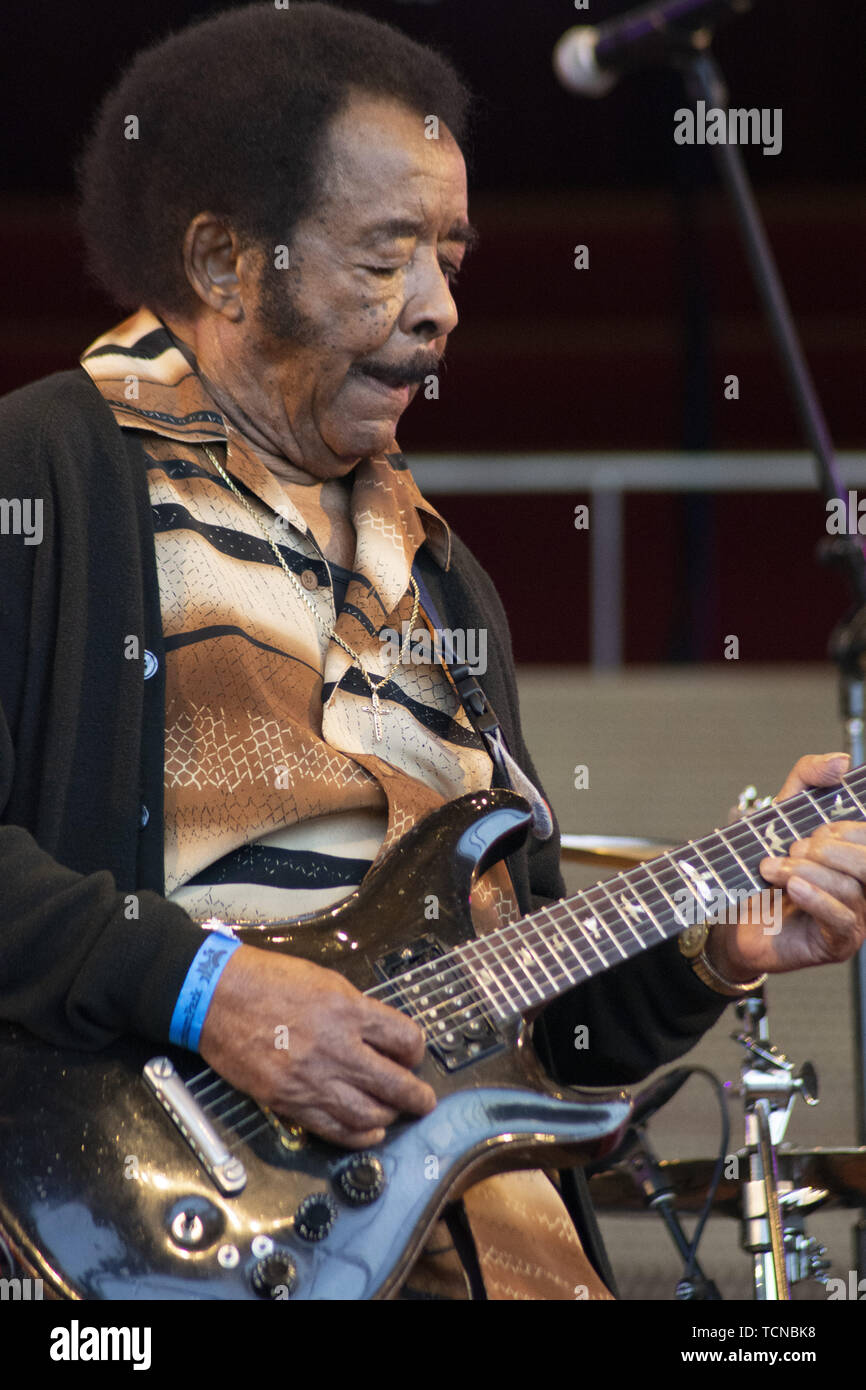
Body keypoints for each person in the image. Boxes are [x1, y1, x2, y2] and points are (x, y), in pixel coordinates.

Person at [2, 1, 865, 1300]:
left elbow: (534, 1028)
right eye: (387, 255)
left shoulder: (443, 578)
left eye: (451, 257)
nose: (442, 308)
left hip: (493, 1251)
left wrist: (719, 938)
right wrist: (207, 989)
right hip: (144, 1231)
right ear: (227, 261)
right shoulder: (52, 470)